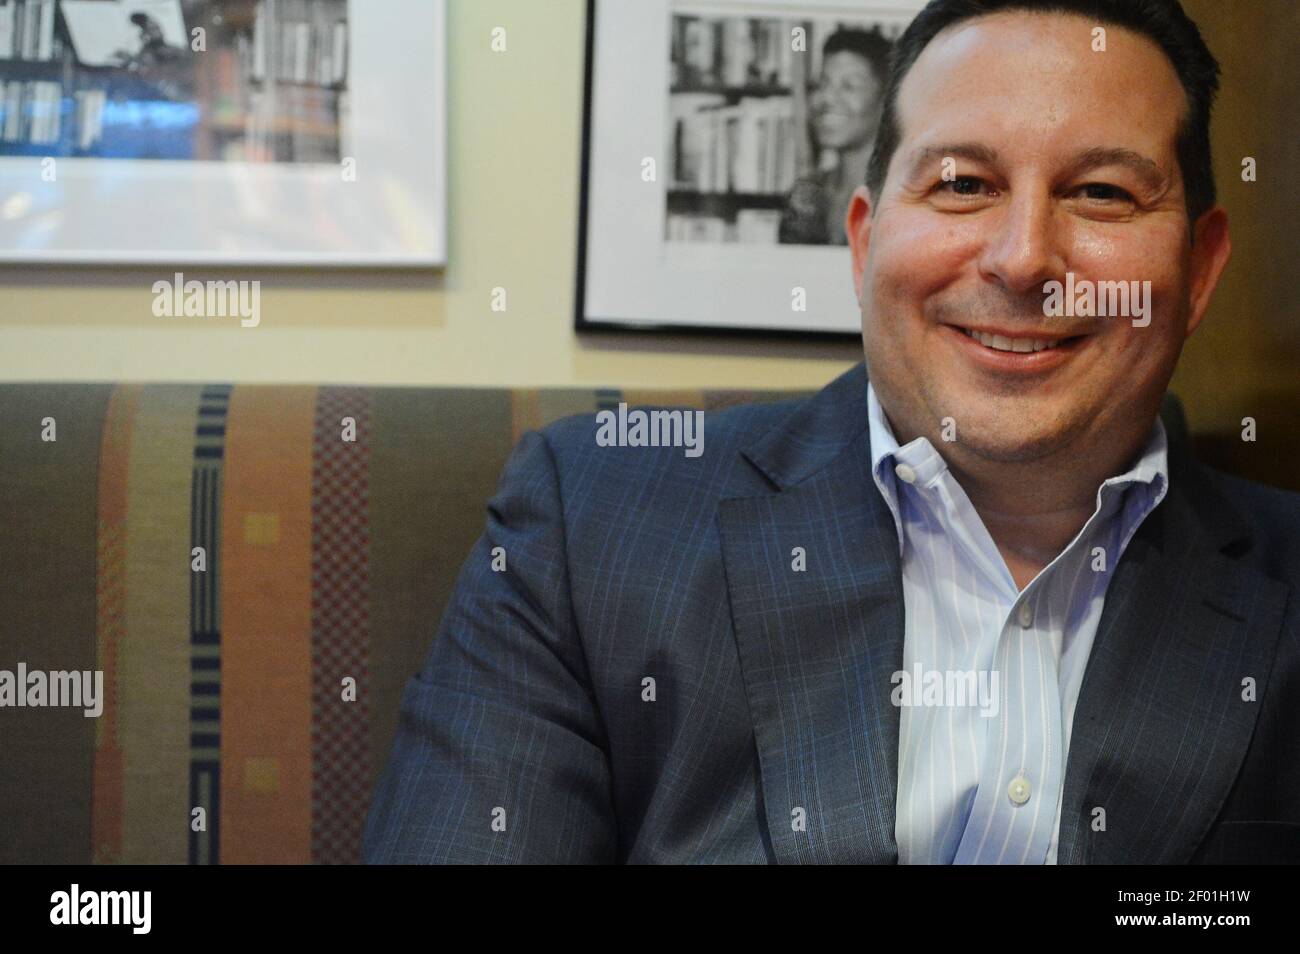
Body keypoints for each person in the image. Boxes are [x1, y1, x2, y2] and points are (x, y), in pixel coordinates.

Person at [364, 0, 1300, 864]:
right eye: (963, 182)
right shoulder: (589, 526)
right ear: (862, 243)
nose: (1023, 260)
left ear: (1201, 268)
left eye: (1100, 194)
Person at [779, 28, 891, 245]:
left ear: (885, 100)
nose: (826, 98)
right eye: (823, 83)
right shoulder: (805, 195)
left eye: (849, 86)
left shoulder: (900, 197)